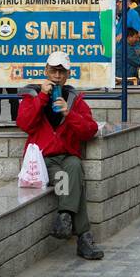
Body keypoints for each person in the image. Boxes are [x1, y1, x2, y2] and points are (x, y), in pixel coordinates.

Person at [17, 50, 104, 260]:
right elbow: (24, 123)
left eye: (61, 72)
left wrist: (69, 113)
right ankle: (83, 237)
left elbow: (89, 129)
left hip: (67, 155)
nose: (57, 76)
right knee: (71, 180)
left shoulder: (75, 99)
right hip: (42, 159)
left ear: (68, 74)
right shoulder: (33, 95)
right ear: (46, 71)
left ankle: (64, 216)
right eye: (54, 70)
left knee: (74, 166)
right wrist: (43, 97)